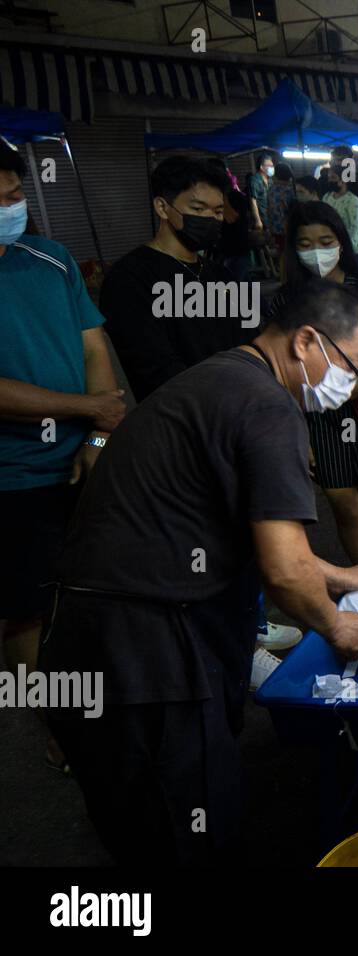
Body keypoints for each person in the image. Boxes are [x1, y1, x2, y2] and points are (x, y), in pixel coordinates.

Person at [42, 280, 358, 865]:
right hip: (144, 650)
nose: (350, 387)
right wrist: (336, 625)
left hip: (89, 634)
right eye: (350, 367)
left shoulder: (224, 377)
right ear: (306, 340)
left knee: (139, 819)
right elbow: (282, 570)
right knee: (187, 825)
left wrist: (334, 574)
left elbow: (261, 533)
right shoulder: (269, 409)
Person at [0, 145, 125, 729]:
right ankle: (56, 729)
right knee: (26, 611)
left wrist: (96, 438)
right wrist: (88, 408)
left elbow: (92, 345)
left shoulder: (50, 257)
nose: (11, 208)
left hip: (81, 461)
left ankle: (95, 707)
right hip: (14, 477)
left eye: (14, 195)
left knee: (91, 593)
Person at [265, 202, 358, 567]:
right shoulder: (284, 301)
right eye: (305, 243)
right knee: (344, 505)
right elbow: (272, 371)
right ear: (293, 248)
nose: (317, 251)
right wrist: (295, 433)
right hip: (317, 421)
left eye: (325, 240)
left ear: (341, 242)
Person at [99, 156, 253, 404]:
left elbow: (253, 341)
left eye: (217, 211)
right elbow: (153, 369)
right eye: (197, 209)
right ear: (162, 208)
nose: (210, 219)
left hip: (239, 409)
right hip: (182, 419)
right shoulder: (129, 279)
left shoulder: (223, 276)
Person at [322, 164, 358, 274]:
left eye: (333, 177)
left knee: (355, 285)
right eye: (329, 178)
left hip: (355, 250)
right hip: (335, 249)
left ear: (344, 180)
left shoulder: (353, 201)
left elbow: (356, 230)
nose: (329, 181)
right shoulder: (327, 198)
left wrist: (347, 249)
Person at [266, 163, 296, 253]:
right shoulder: (290, 190)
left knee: (281, 253)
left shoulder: (271, 189)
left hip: (275, 228)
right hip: (289, 229)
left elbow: (269, 210)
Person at [248, 151, 275, 229]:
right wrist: (257, 220)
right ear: (261, 167)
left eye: (272, 166)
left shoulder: (270, 180)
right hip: (261, 217)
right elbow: (253, 201)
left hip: (270, 216)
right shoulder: (255, 180)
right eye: (269, 166)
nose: (272, 168)